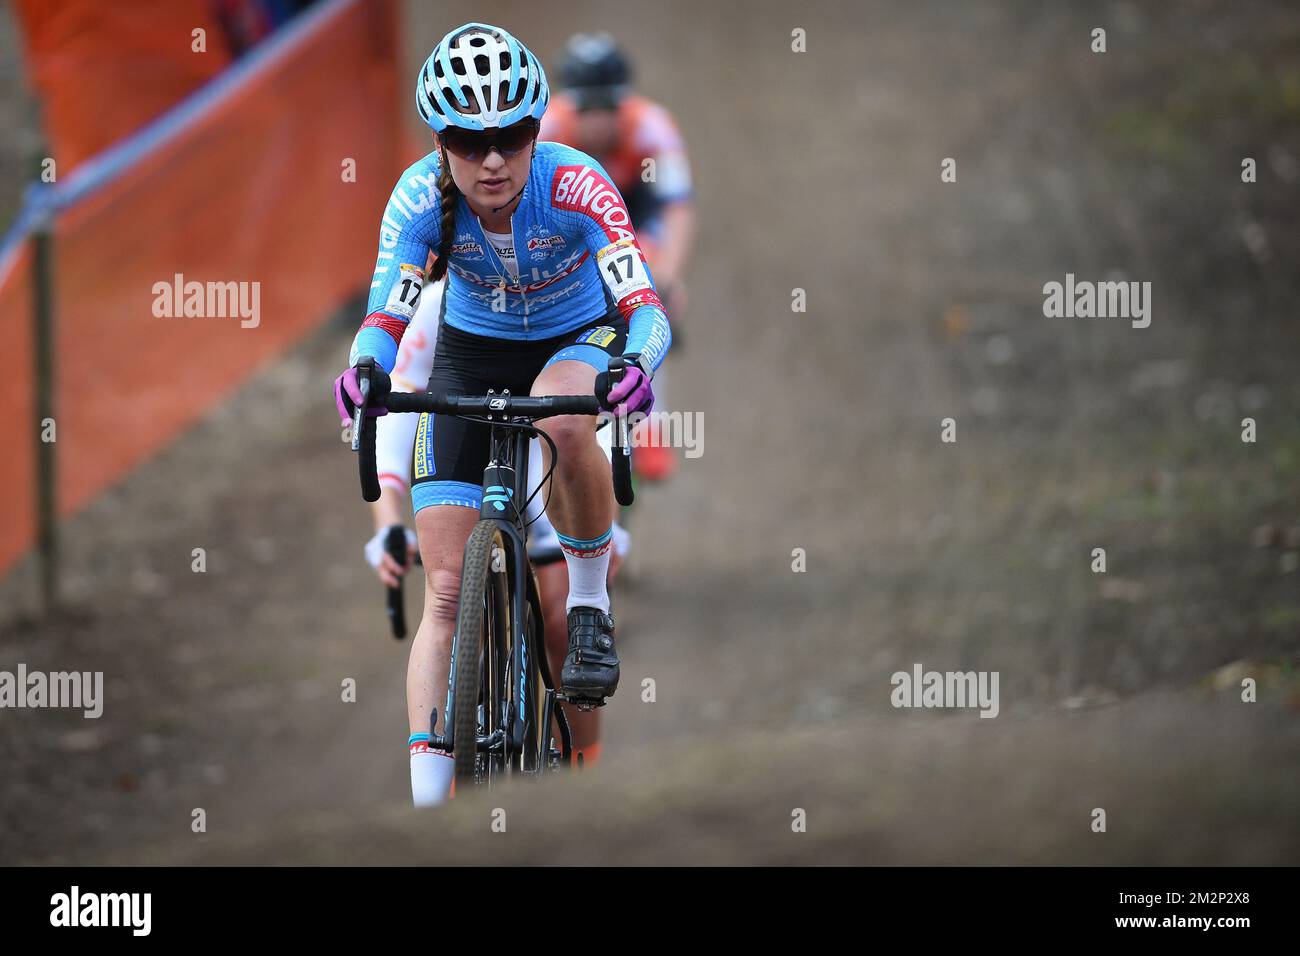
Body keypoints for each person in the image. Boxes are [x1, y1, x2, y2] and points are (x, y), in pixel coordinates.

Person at [334, 22, 671, 807]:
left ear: (535, 130)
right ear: (440, 141)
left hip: (578, 333)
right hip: (473, 350)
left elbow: (644, 308)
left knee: (561, 416)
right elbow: (387, 314)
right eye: (467, 139)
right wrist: (363, 370)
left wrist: (632, 366)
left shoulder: (578, 183)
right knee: (445, 595)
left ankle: (586, 603)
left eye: (513, 136)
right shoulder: (420, 197)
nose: (492, 160)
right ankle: (429, 808)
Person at [363, 267, 629, 772]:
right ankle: (458, 749)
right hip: (471, 444)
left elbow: (599, 421)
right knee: (451, 593)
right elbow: (397, 403)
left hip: (550, 467)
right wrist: (388, 523)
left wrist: (607, 529)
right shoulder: (434, 302)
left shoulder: (567, 290)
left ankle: (583, 774)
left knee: (557, 621)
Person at [542, 33, 695, 481]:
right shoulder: (550, 129)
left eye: (607, 108)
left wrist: (668, 272)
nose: (596, 123)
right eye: (586, 110)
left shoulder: (654, 127)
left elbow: (678, 207)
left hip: (635, 209)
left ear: (624, 104)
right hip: (575, 216)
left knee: (652, 292)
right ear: (570, 106)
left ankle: (652, 424)